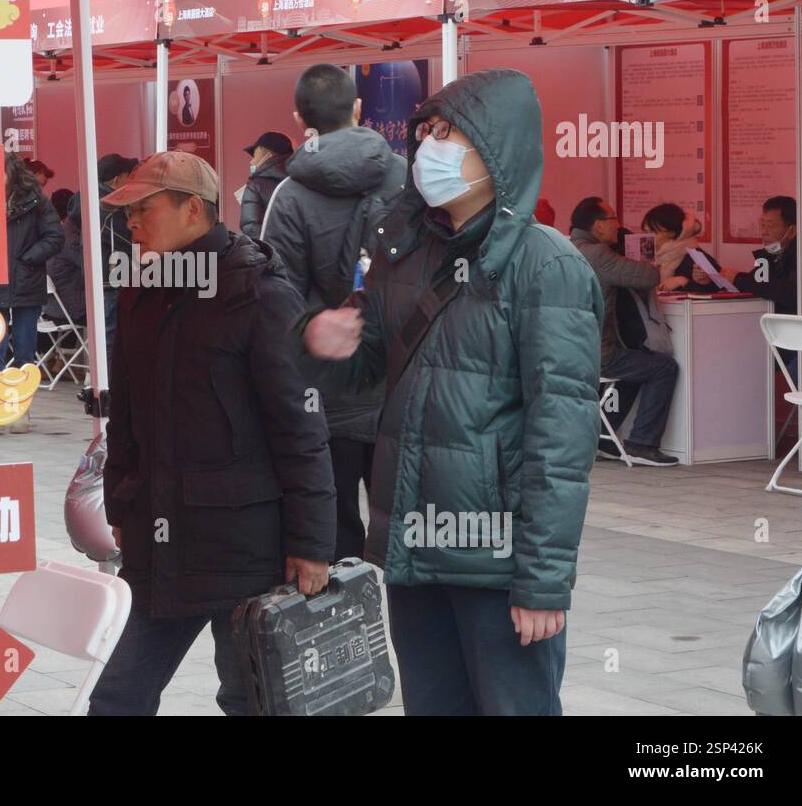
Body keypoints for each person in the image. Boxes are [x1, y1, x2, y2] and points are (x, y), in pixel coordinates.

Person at [299, 68, 602, 715]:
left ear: (496, 147)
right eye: (426, 130)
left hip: (496, 560)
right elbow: (366, 370)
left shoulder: (546, 266)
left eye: (447, 131)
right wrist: (321, 344)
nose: (428, 146)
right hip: (414, 545)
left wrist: (543, 581)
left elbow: (562, 437)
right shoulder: (406, 249)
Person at [91, 151, 335, 716]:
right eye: (125, 212)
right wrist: (121, 506)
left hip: (245, 545)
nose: (130, 224)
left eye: (142, 210)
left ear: (193, 210)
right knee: (116, 697)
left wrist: (312, 544)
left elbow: (301, 429)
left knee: (250, 697)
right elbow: (126, 417)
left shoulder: (261, 293)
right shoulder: (140, 291)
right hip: (160, 538)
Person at [260, 64, 406, 562]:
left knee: (333, 533)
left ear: (300, 117)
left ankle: (347, 633)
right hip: (400, 385)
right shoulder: (409, 178)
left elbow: (279, 301)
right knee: (404, 532)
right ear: (359, 109)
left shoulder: (290, 195)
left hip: (327, 393)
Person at [570, 197, 679, 466]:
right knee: (663, 367)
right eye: (613, 219)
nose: (618, 225)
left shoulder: (567, 247)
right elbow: (647, 277)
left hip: (571, 349)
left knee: (634, 366)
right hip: (597, 354)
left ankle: (604, 438)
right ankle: (642, 443)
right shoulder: (598, 255)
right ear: (597, 225)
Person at [0, 153, 64, 434]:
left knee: (25, 350)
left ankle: (20, 409)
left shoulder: (36, 202)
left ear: (12, 173)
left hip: (26, 284)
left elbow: (55, 237)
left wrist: (27, 259)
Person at [67, 153, 138, 360]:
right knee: (110, 335)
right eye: (128, 176)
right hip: (111, 277)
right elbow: (127, 238)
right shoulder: (104, 207)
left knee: (108, 333)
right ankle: (109, 385)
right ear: (117, 179)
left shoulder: (90, 202)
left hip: (105, 276)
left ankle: (105, 380)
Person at [697, 196, 797, 314]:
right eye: (763, 225)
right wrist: (712, 280)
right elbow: (756, 281)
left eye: (771, 226)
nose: (764, 232)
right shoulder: (769, 255)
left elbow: (788, 292)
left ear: (792, 231)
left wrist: (738, 279)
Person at [641, 203, 719, 292]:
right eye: (645, 232)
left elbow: (720, 291)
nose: (647, 238)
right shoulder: (652, 258)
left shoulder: (696, 258)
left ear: (672, 232)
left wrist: (682, 282)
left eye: (653, 232)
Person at [238, 130, 293, 237]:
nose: (251, 162)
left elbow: (251, 229)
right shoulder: (303, 180)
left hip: (270, 252)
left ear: (268, 156)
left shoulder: (255, 186)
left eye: (254, 156)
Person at [45, 188, 85, 326]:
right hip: (70, 309)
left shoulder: (57, 233)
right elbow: (90, 266)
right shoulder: (71, 237)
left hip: (52, 307)